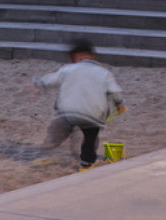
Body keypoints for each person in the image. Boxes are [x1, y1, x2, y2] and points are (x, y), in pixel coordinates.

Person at [34, 38, 126, 168]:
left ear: (75, 57)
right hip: (93, 114)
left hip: (67, 112)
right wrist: (120, 104)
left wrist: (38, 83)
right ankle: (87, 162)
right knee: (90, 139)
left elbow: (50, 80)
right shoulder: (104, 73)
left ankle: (45, 149)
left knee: (56, 132)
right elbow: (115, 92)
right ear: (93, 56)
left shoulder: (68, 69)